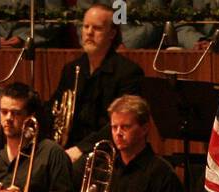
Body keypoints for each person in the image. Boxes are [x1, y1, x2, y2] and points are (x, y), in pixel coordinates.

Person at [47, 3, 146, 177]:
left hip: (105, 150)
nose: (89, 32)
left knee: (69, 171)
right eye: (86, 27)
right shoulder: (72, 69)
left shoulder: (128, 72)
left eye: (97, 28)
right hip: (70, 147)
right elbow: (55, 108)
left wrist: (81, 149)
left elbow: (121, 124)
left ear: (112, 34)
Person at [101, 96, 185, 192]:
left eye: (125, 127)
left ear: (145, 128)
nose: (118, 133)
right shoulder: (107, 168)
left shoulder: (162, 173)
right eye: (114, 127)